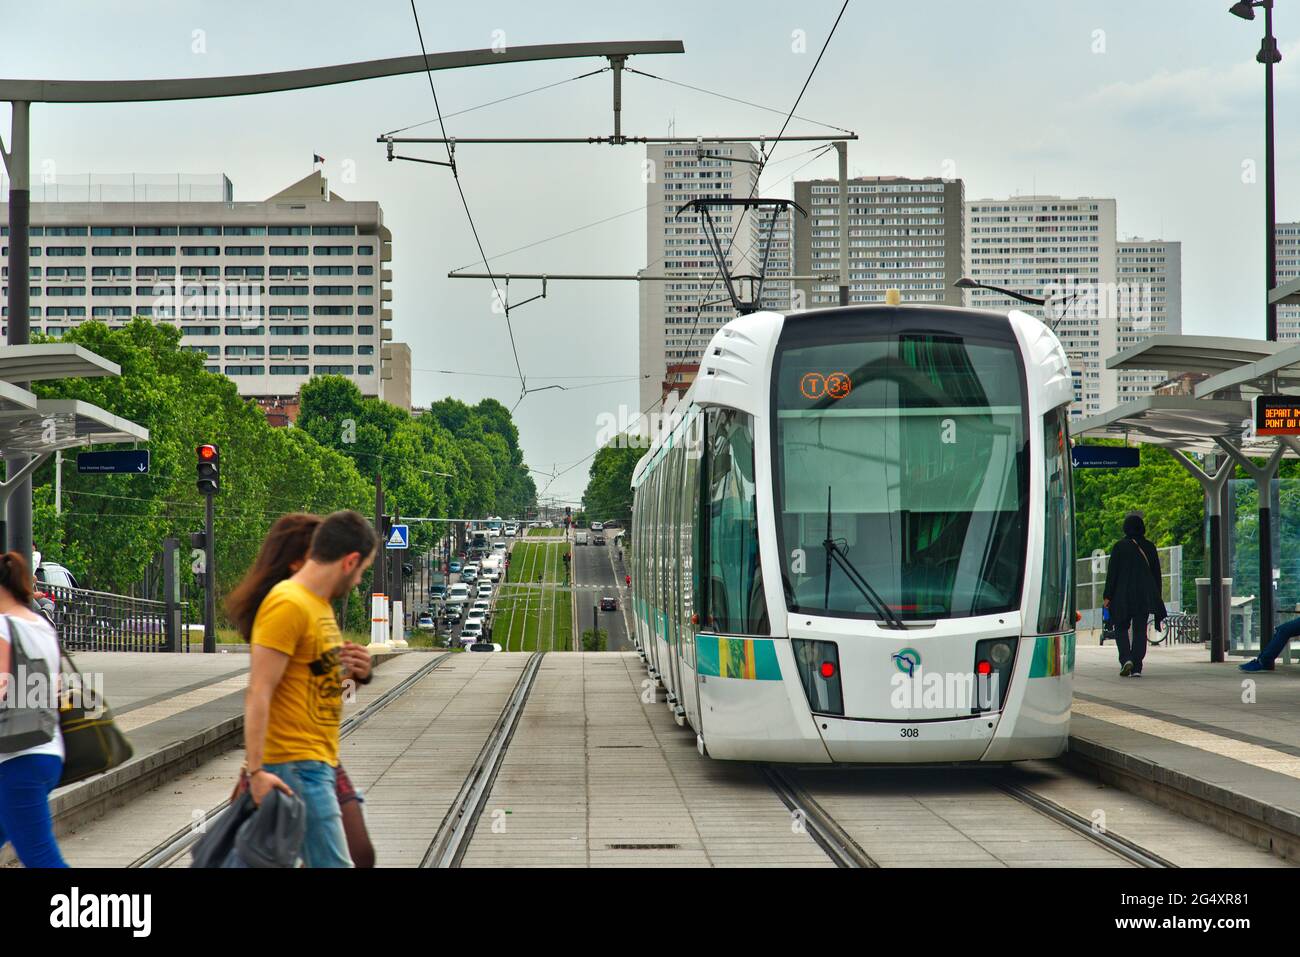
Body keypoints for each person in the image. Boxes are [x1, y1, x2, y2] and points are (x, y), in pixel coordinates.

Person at [226, 513, 376, 867]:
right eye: (361, 571)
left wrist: (357, 675)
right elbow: (259, 692)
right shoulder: (288, 604)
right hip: (296, 766)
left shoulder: (319, 607)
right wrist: (256, 771)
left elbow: (316, 690)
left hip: (317, 760)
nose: (358, 581)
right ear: (350, 561)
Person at [0, 551, 69, 868]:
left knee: (40, 857)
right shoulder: (41, 625)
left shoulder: (3, 627)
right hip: (47, 750)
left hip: (17, 758)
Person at [1102, 511, 1166, 677]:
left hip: (1122, 596)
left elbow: (1112, 574)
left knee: (1121, 628)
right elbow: (1156, 575)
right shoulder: (1150, 547)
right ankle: (1137, 666)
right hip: (1144, 597)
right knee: (1139, 630)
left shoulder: (1119, 547)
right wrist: (1157, 597)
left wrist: (1107, 595)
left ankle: (1126, 659)